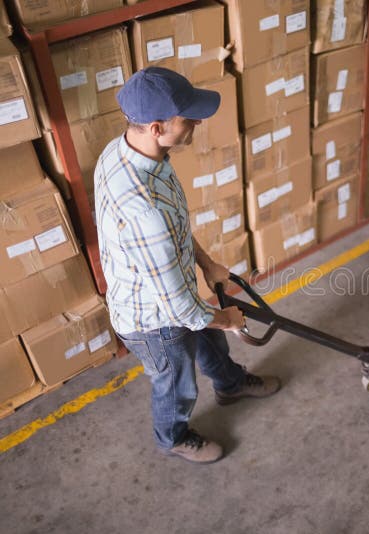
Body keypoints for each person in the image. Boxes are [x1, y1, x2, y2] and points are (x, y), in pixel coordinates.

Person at [94, 67, 281, 464]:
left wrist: (207, 263)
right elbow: (180, 310)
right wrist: (226, 319)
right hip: (152, 320)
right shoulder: (143, 208)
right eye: (188, 117)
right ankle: (172, 437)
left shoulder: (129, 150)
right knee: (176, 384)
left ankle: (230, 384)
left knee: (207, 338)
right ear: (158, 127)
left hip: (168, 290)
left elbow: (173, 227)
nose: (197, 121)